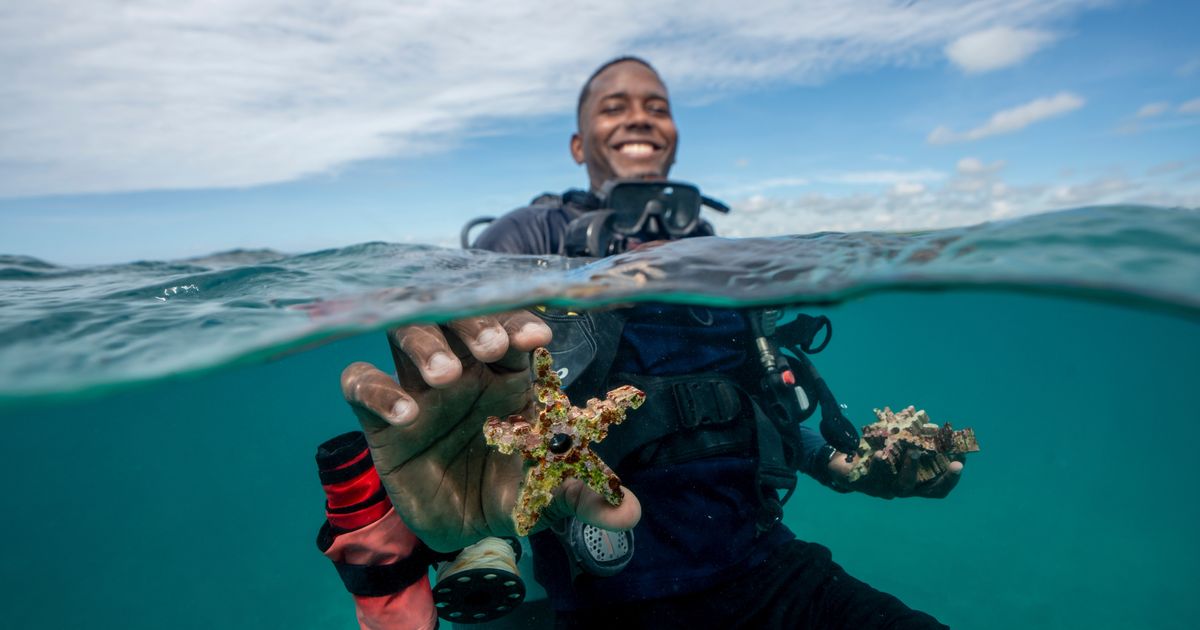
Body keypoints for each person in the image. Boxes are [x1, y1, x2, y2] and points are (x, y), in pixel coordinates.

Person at [316, 57, 964, 629]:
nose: (640, 119)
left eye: (658, 107)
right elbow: (462, 352)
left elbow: (765, 402)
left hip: (766, 571)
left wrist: (853, 469)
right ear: (578, 144)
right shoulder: (532, 233)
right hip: (600, 598)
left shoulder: (719, 260)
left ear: (676, 136)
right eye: (614, 107)